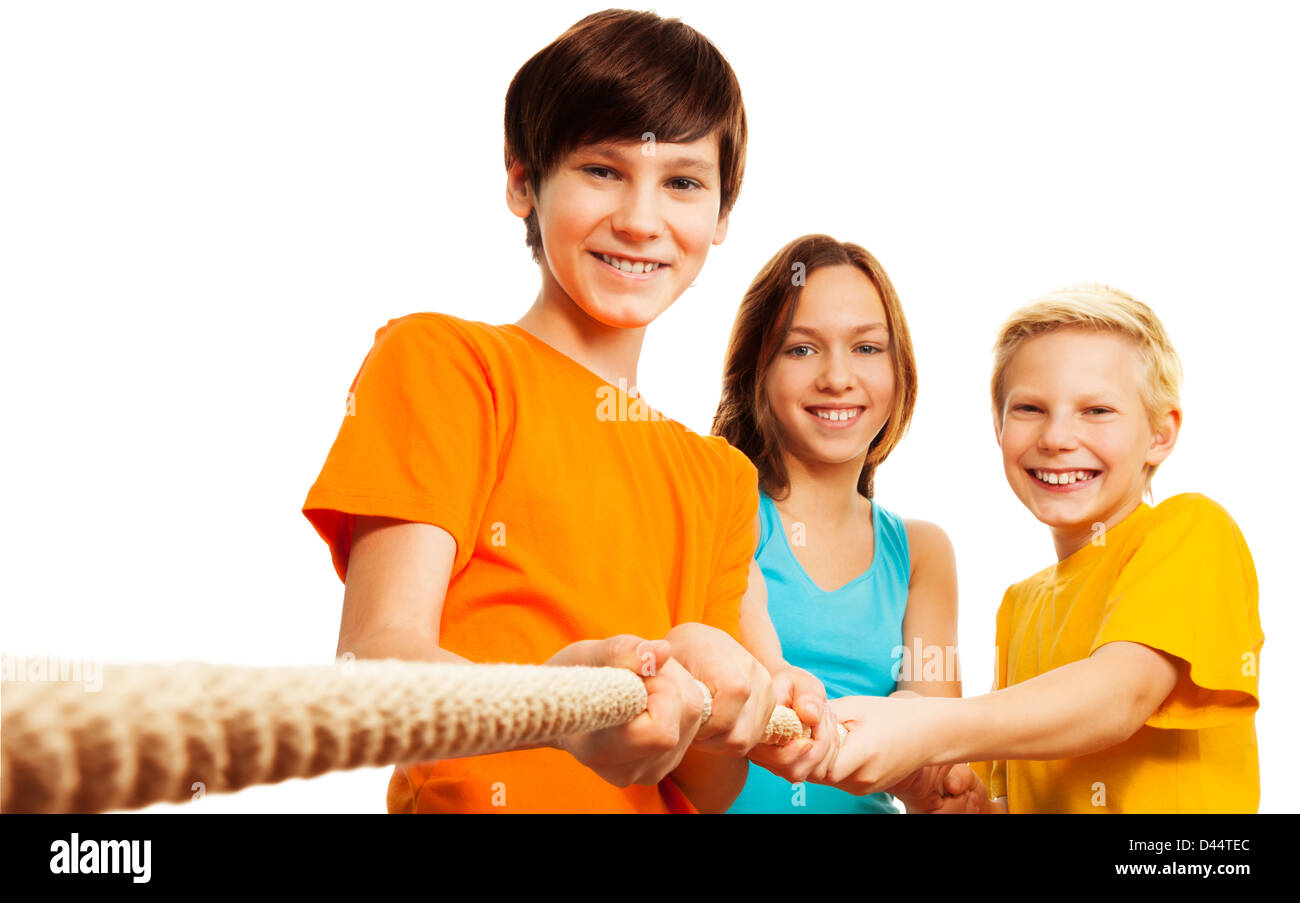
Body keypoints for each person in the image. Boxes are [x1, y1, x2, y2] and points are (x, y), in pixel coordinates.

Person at [301, 9, 833, 814]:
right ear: (523, 179)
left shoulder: (722, 479)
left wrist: (722, 693)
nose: (641, 219)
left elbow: (714, 789)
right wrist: (554, 705)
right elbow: (377, 660)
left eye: (683, 182)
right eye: (602, 170)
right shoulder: (447, 366)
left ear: (722, 214)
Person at [822, 283, 1263, 813]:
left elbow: (1115, 699)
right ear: (999, 426)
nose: (1056, 437)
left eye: (1096, 410)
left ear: (1160, 434)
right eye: (1030, 408)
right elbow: (1007, 801)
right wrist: (935, 793)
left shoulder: (1191, 530)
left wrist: (925, 727)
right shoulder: (1020, 605)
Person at [711, 234, 962, 813]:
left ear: (901, 372)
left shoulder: (922, 552)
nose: (837, 377)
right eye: (801, 350)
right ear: (758, 370)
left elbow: (934, 750)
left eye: (867, 348)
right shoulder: (727, 510)